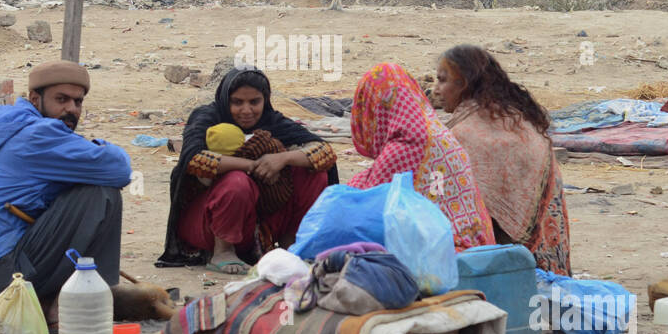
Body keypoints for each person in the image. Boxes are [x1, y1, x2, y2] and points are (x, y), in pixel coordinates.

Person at [0, 59, 132, 331]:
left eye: (78, 102)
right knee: (102, 192)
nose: (71, 109)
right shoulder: (38, 134)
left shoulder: (16, 125)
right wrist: (97, 146)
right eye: (61, 99)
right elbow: (119, 169)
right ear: (35, 99)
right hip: (8, 270)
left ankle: (63, 295)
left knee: (86, 184)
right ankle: (82, 298)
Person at [160, 66, 338, 273]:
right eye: (237, 102)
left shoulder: (272, 121)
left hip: (256, 227)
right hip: (206, 224)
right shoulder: (207, 118)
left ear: (265, 100)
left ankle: (291, 244)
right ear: (226, 100)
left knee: (312, 173)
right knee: (237, 180)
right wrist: (251, 165)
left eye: (254, 102)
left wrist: (282, 158)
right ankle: (223, 251)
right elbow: (193, 159)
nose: (246, 110)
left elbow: (325, 151)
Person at [435, 45, 571, 275]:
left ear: (463, 84)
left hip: (499, 262)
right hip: (546, 259)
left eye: (442, 80)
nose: (435, 90)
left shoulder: (463, 135)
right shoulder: (518, 118)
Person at [348, 63, 494, 251]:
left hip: (448, 256)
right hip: (478, 246)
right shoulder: (432, 130)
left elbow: (368, 209)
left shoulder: (406, 144)